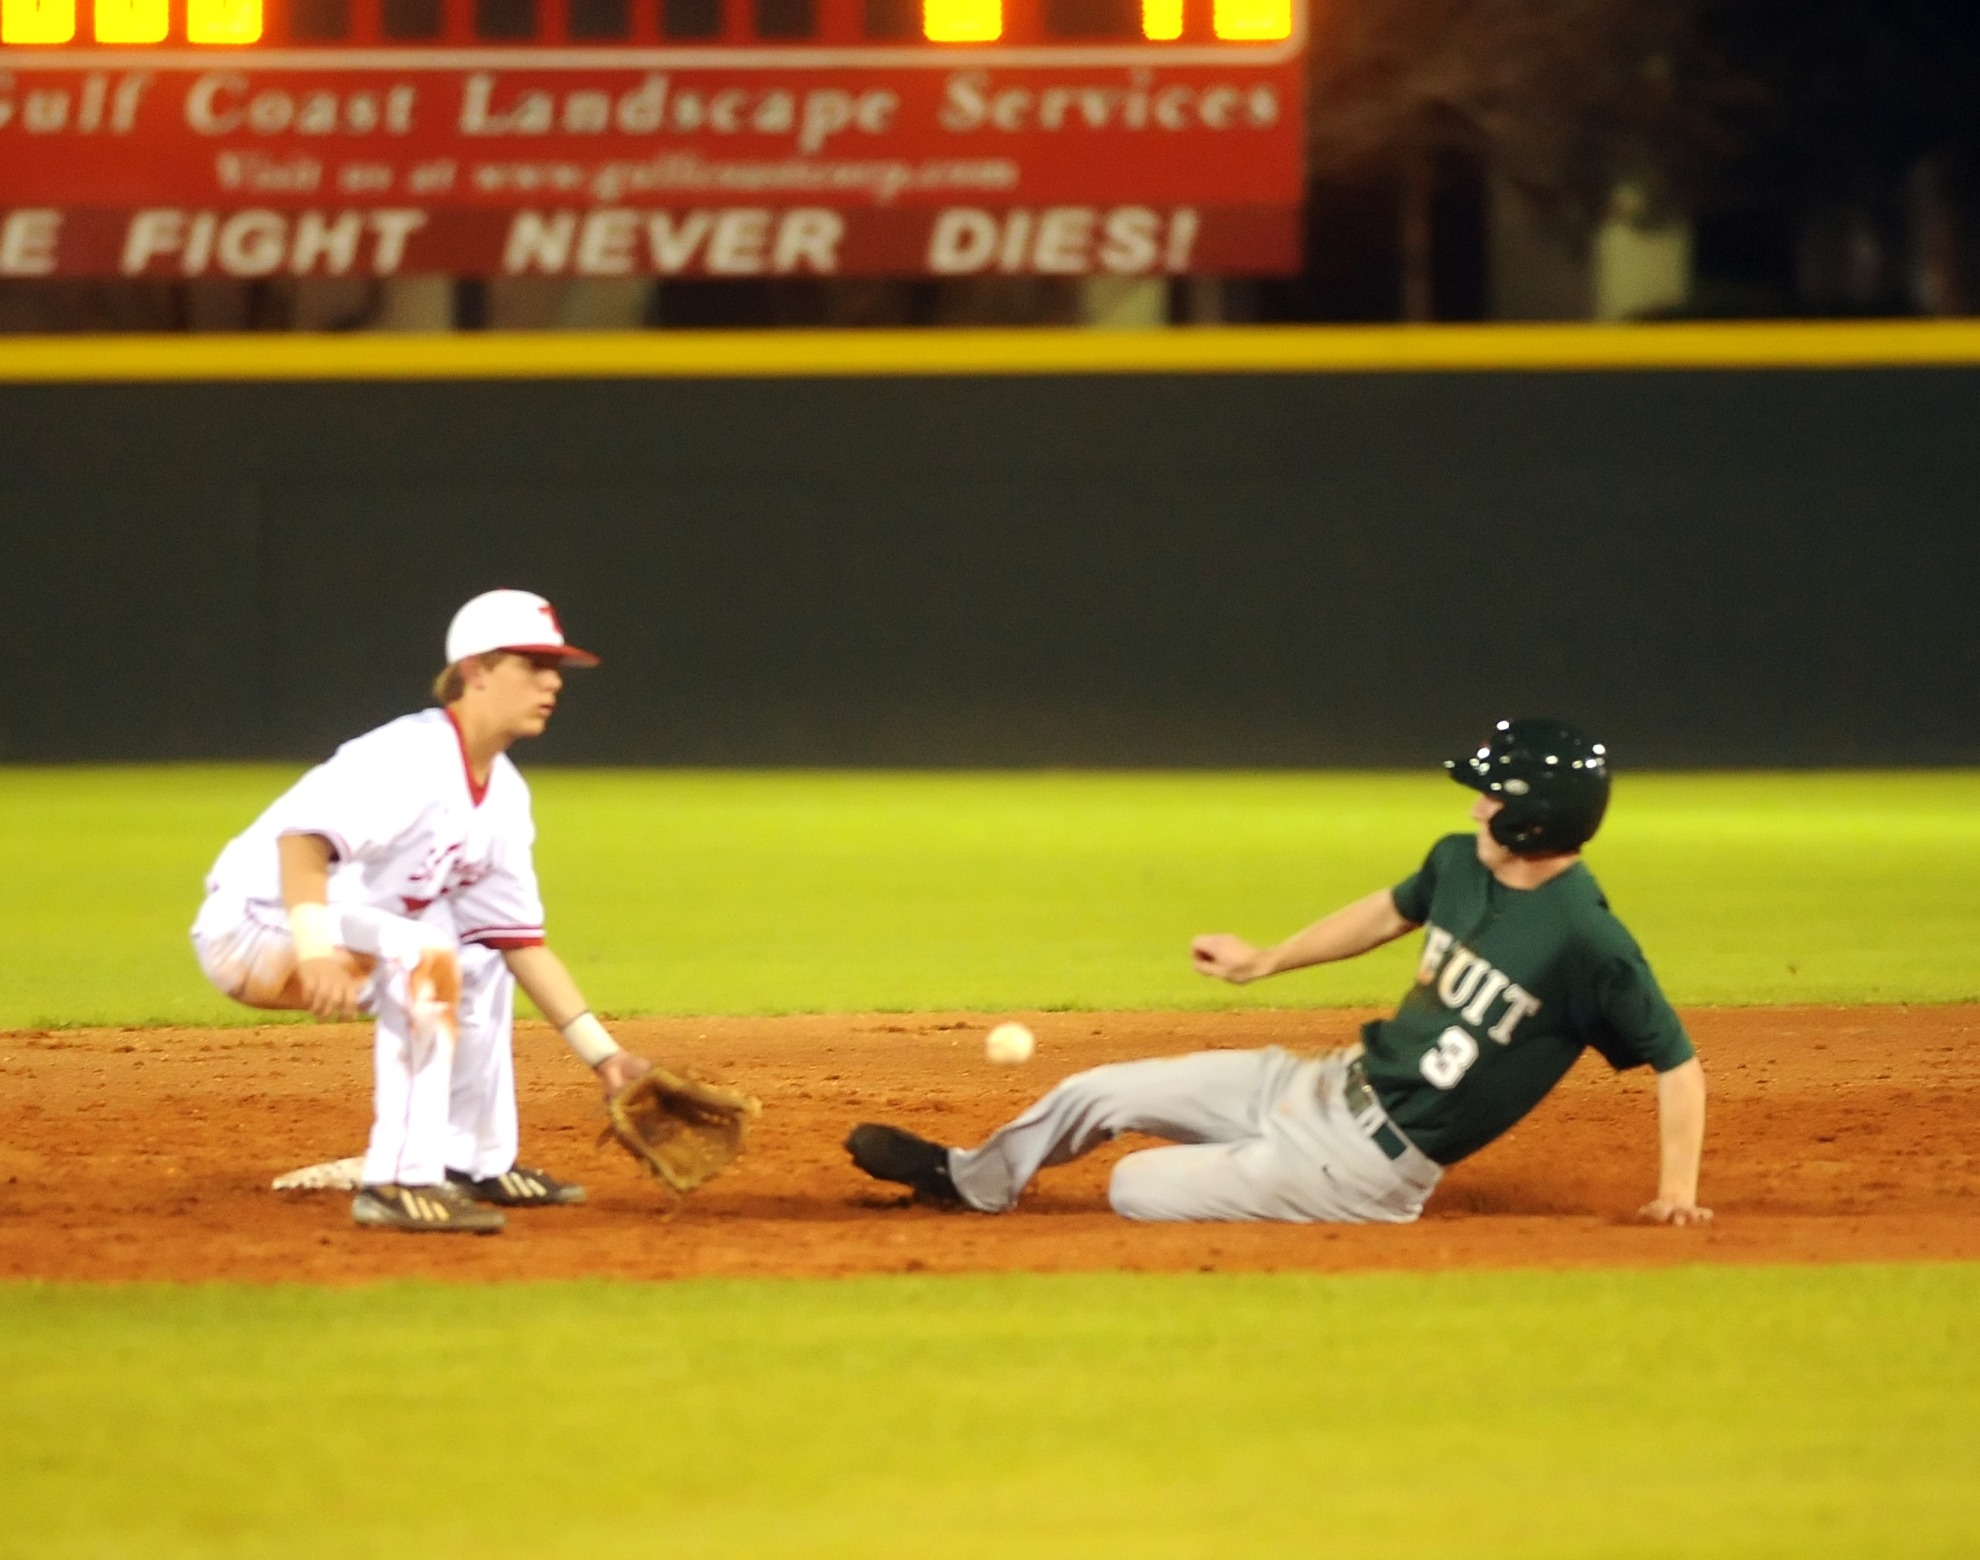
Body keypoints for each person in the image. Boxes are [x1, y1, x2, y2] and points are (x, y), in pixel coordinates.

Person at [846, 718, 1710, 1227]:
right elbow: (1385, 911)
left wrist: (1676, 1194)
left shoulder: (1587, 943)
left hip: (1369, 1170)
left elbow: (1676, 1060)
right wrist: (1266, 960)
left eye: (1495, 794)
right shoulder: (1460, 863)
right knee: (1096, 1091)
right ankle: (972, 1180)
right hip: (1323, 1085)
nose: (1478, 803)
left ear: (1533, 818)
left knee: (1132, 1187)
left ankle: (1257, 1170)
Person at [192, 589, 654, 1234]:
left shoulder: (504, 797)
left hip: (333, 927)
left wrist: (606, 1058)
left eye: (556, 669)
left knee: (477, 950)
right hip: (257, 926)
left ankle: (473, 1160)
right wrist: (315, 946)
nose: (552, 682)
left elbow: (520, 942)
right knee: (424, 953)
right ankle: (400, 1182)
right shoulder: (406, 757)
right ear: (476, 670)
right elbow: (300, 841)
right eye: (532, 664)